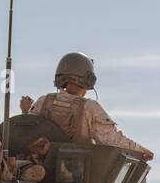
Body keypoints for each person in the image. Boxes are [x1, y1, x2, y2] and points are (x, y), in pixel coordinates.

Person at [20, 51, 152, 160]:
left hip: (41, 171)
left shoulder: (43, 101)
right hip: (75, 177)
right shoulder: (90, 108)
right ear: (89, 79)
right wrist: (140, 150)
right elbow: (112, 140)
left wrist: (25, 112)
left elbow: (30, 131)